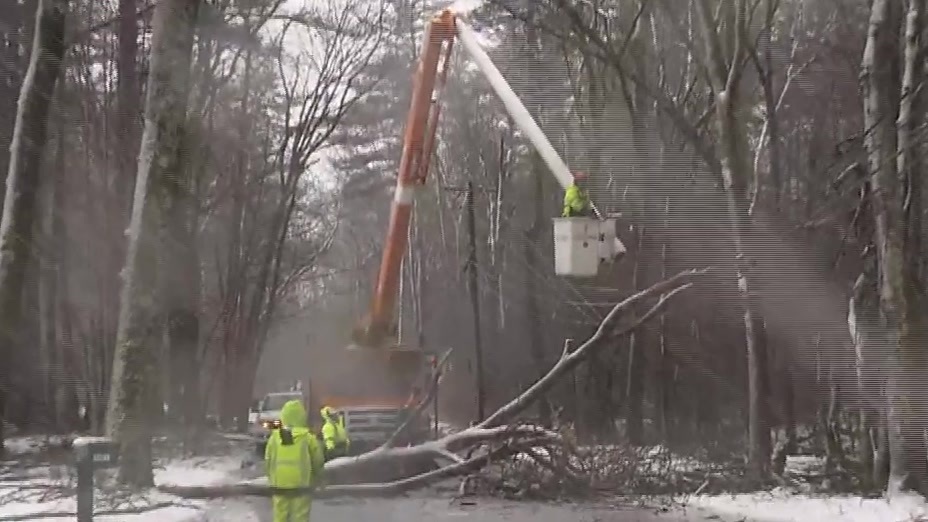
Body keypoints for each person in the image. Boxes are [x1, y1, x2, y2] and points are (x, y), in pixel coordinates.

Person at [265, 399, 325, 522]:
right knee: (300, 516)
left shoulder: (274, 438)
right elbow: (318, 461)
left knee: (280, 516)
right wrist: (318, 478)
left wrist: (270, 478)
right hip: (301, 485)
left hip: (279, 484)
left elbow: (268, 460)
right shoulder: (308, 438)